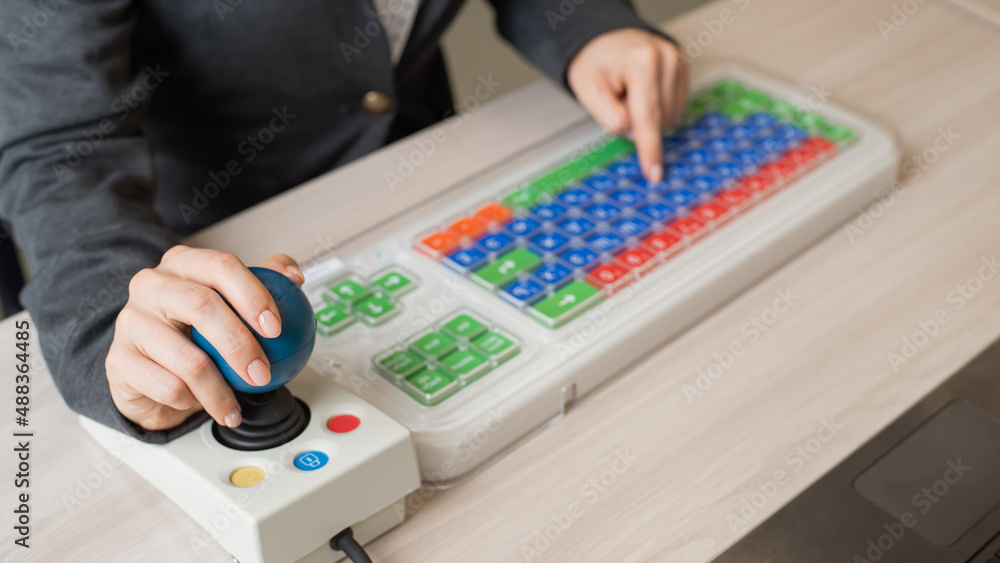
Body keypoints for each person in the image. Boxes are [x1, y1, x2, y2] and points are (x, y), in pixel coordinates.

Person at [0, 0, 686, 443]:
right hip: (211, 247)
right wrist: (117, 321)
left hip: (430, 180)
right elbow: (54, 147)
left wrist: (590, 28)